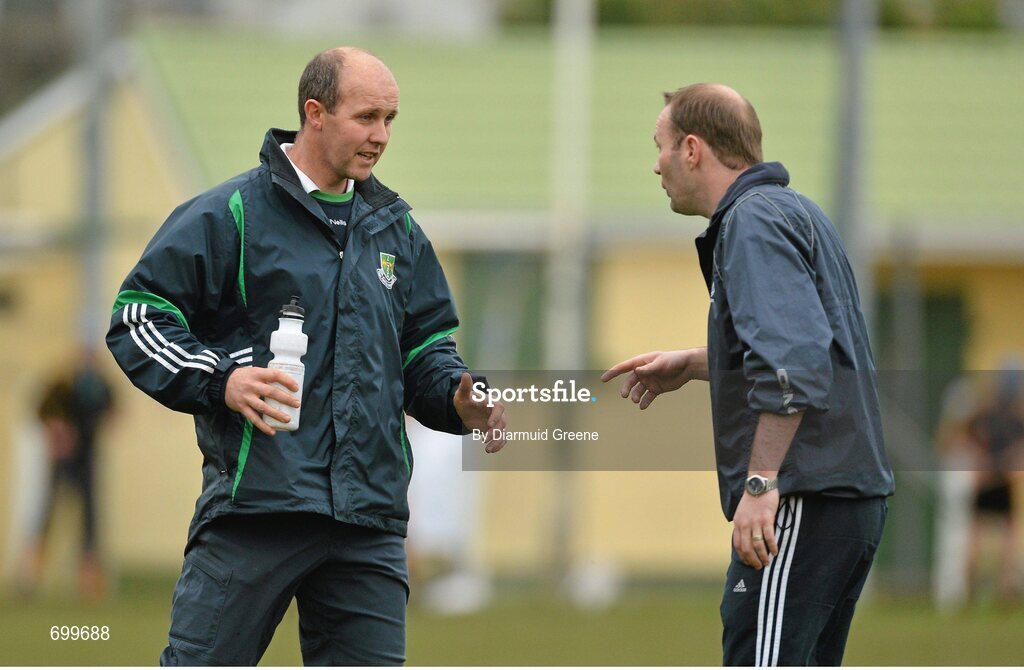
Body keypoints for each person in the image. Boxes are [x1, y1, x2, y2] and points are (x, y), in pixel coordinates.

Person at [106, 47, 507, 666]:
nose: (381, 136)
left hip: (367, 521)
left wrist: (458, 396)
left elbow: (426, 351)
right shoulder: (230, 214)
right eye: (367, 116)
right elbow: (138, 316)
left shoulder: (397, 230)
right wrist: (222, 379)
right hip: (256, 510)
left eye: (391, 119)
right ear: (314, 113)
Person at [602, 84, 894, 666]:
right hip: (845, 497)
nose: (653, 163)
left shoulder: (752, 221)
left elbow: (795, 363)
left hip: (804, 495)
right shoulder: (796, 211)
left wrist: (760, 484)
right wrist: (695, 363)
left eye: (659, 146)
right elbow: (817, 352)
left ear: (692, 149)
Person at [21, 349, 114, 601]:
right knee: (46, 515)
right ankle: (29, 575)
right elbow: (42, 412)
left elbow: (114, 412)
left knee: (90, 523)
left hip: (87, 461)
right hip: (62, 461)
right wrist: (58, 432)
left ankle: (89, 584)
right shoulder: (62, 385)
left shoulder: (101, 386)